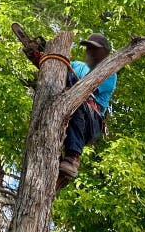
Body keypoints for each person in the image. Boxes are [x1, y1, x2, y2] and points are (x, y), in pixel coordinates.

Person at [24, 33, 117, 183]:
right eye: (89, 48)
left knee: (76, 101)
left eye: (95, 49)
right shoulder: (76, 65)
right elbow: (59, 71)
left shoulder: (109, 72)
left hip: (90, 122)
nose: (91, 52)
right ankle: (54, 163)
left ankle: (73, 157)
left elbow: (88, 85)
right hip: (69, 113)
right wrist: (43, 59)